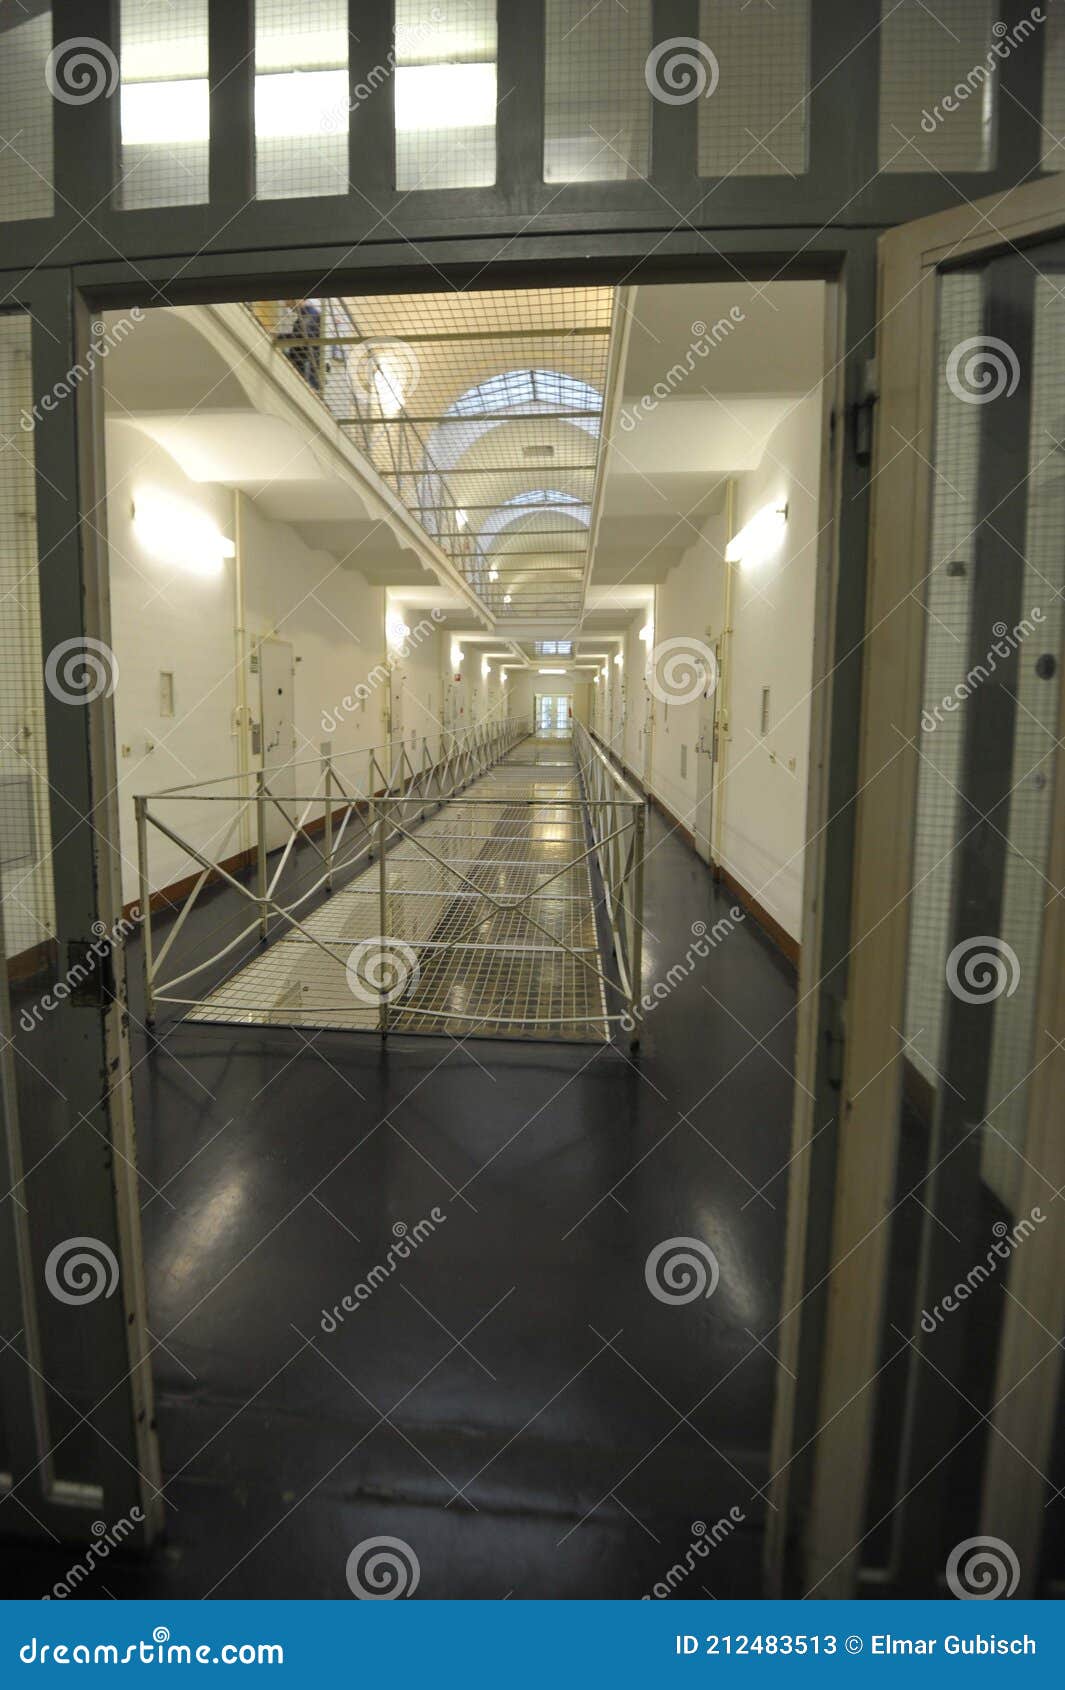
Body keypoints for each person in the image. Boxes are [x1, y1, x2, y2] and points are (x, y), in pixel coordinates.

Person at [276, 298, 322, 391]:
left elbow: (303, 335)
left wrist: (279, 337)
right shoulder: (307, 314)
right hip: (304, 362)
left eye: (287, 300)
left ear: (298, 299)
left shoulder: (311, 314)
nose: (287, 305)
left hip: (306, 364)